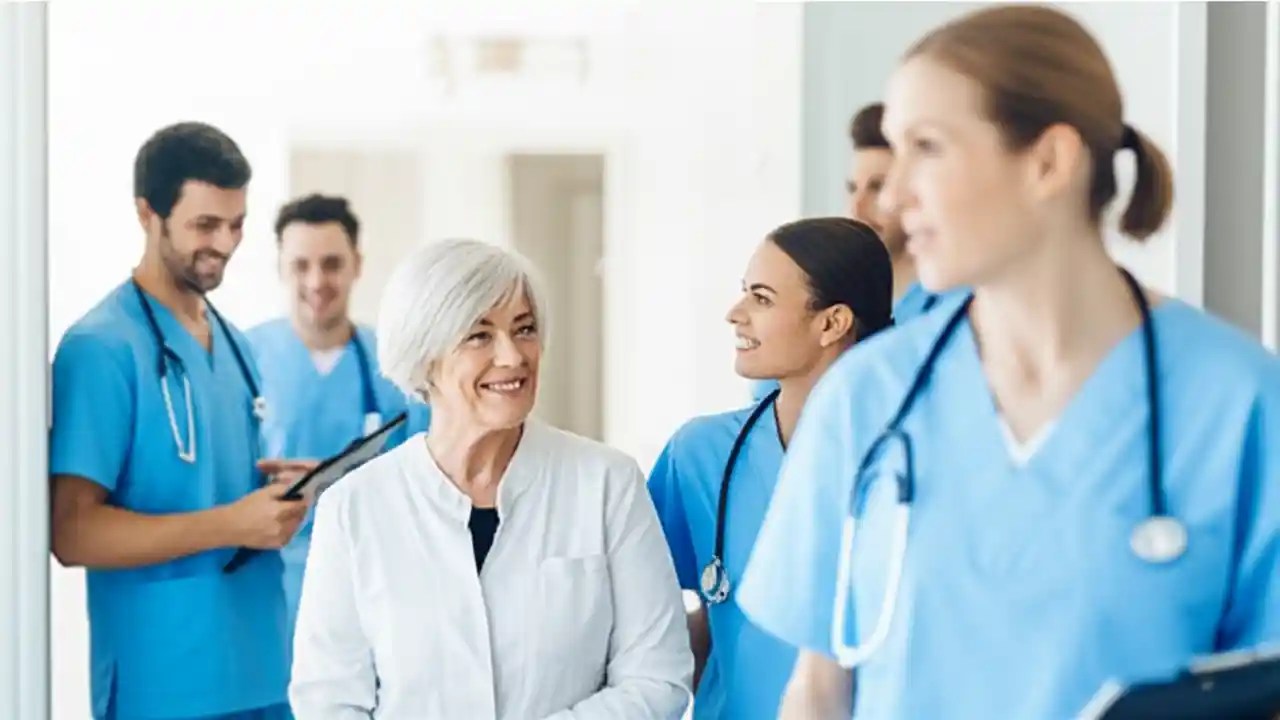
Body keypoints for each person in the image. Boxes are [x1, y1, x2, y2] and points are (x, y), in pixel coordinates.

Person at [738, 6, 1280, 720]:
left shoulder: (1236, 401)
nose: (895, 197)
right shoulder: (868, 397)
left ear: (1048, 161)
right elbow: (818, 690)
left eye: (927, 148)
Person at [288, 238, 693, 718]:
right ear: (425, 356)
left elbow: (657, 676)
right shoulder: (355, 506)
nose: (513, 356)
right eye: (479, 335)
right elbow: (329, 700)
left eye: (524, 330)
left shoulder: (607, 483)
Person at [49, 122, 316, 720]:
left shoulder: (236, 346)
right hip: (164, 682)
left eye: (237, 223)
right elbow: (71, 533)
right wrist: (231, 523)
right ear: (148, 214)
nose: (224, 243)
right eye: (204, 225)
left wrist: (279, 498)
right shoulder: (102, 348)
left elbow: (216, 486)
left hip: (263, 673)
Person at [648, 218, 892, 720]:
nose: (735, 315)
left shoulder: (906, 461)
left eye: (760, 298)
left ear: (832, 323)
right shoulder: (699, 454)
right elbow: (644, 621)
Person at [245, 193, 432, 643]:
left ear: (356, 265)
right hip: (268, 584)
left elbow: (433, 478)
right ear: (280, 268)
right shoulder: (242, 359)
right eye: (300, 265)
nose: (316, 280)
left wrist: (340, 482)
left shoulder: (397, 365)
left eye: (332, 264)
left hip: (371, 577)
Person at [845, 101, 955, 323]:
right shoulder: (843, 309)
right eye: (852, 188)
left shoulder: (956, 311)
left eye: (877, 187)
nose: (856, 207)